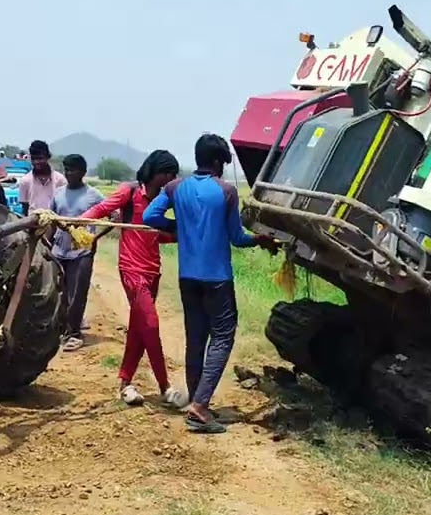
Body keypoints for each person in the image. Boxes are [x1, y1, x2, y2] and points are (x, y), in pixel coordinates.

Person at [143, 133, 273, 434]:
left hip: (187, 276)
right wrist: (260, 240)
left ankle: (196, 401)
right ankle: (200, 407)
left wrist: (179, 227)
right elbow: (238, 238)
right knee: (223, 337)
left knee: (196, 338)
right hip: (217, 278)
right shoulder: (226, 192)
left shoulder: (175, 187)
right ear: (217, 162)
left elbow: (151, 215)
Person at [80, 150, 188, 408]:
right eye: (169, 175)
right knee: (150, 325)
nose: (172, 181)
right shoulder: (129, 193)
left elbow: (156, 236)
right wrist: (75, 223)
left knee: (140, 329)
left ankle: (125, 383)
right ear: (157, 173)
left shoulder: (162, 202)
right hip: (131, 270)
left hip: (153, 272)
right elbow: (101, 208)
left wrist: (181, 235)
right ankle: (165, 387)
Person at [51, 154, 105, 351]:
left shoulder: (94, 195)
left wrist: (95, 238)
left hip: (82, 252)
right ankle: (60, 329)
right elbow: (52, 219)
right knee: (59, 293)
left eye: (73, 170)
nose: (69, 173)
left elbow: (113, 216)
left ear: (83, 172)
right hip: (58, 250)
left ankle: (74, 333)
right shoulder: (57, 193)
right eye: (66, 170)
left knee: (77, 294)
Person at [16, 140, 66, 212]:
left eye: (40, 158)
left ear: (48, 157)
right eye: (33, 159)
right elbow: (25, 209)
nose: (36, 162)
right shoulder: (25, 181)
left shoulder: (60, 180)